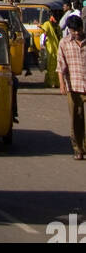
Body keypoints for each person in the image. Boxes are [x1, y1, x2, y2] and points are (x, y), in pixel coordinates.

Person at [57, 14, 86, 159]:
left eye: (78, 30)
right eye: (73, 30)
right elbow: (60, 66)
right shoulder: (64, 43)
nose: (76, 33)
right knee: (76, 119)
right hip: (73, 86)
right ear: (69, 30)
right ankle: (78, 149)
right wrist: (62, 84)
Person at [43, 13, 61, 89]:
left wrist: (43, 42)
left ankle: (52, 83)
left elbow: (45, 33)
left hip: (52, 48)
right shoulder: (55, 25)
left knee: (52, 66)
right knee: (55, 66)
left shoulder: (48, 24)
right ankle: (54, 82)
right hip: (55, 48)